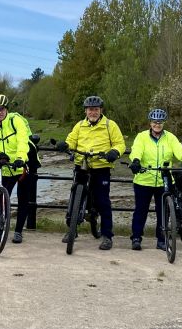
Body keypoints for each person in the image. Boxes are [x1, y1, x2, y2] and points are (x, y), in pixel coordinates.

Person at [56, 95, 124, 250]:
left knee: (103, 201)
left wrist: (114, 152)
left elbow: (120, 143)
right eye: (90, 110)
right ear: (85, 111)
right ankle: (72, 230)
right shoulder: (79, 125)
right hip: (82, 164)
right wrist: (65, 145)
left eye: (95, 109)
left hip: (101, 166)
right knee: (74, 197)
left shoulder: (110, 125)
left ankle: (107, 236)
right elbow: (72, 140)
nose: (93, 112)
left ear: (101, 110)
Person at [128, 108, 182, 251]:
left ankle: (161, 239)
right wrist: (135, 161)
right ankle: (136, 238)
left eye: (160, 122)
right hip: (144, 179)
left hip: (164, 179)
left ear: (163, 123)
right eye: (155, 122)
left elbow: (180, 151)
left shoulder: (170, 137)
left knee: (164, 211)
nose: (157, 125)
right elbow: (136, 150)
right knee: (140, 211)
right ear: (150, 123)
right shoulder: (141, 137)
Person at [0, 94, 31, 244]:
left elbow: (23, 141)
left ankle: (18, 232)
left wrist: (21, 158)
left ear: (6, 109)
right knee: (1, 199)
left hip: (21, 166)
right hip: (6, 168)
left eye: (1, 109)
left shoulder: (16, 121)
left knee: (23, 199)